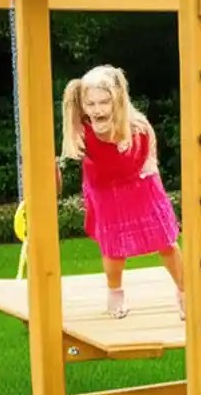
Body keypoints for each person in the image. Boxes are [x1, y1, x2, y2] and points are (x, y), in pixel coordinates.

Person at [60, 65, 184, 319]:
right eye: (91, 104)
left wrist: (147, 168)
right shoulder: (81, 128)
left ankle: (185, 291)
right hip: (105, 188)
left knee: (166, 240)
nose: (97, 110)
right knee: (113, 246)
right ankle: (115, 293)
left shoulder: (136, 126)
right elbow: (72, 151)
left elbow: (150, 157)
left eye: (104, 102)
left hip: (139, 181)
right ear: (82, 105)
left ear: (117, 101)